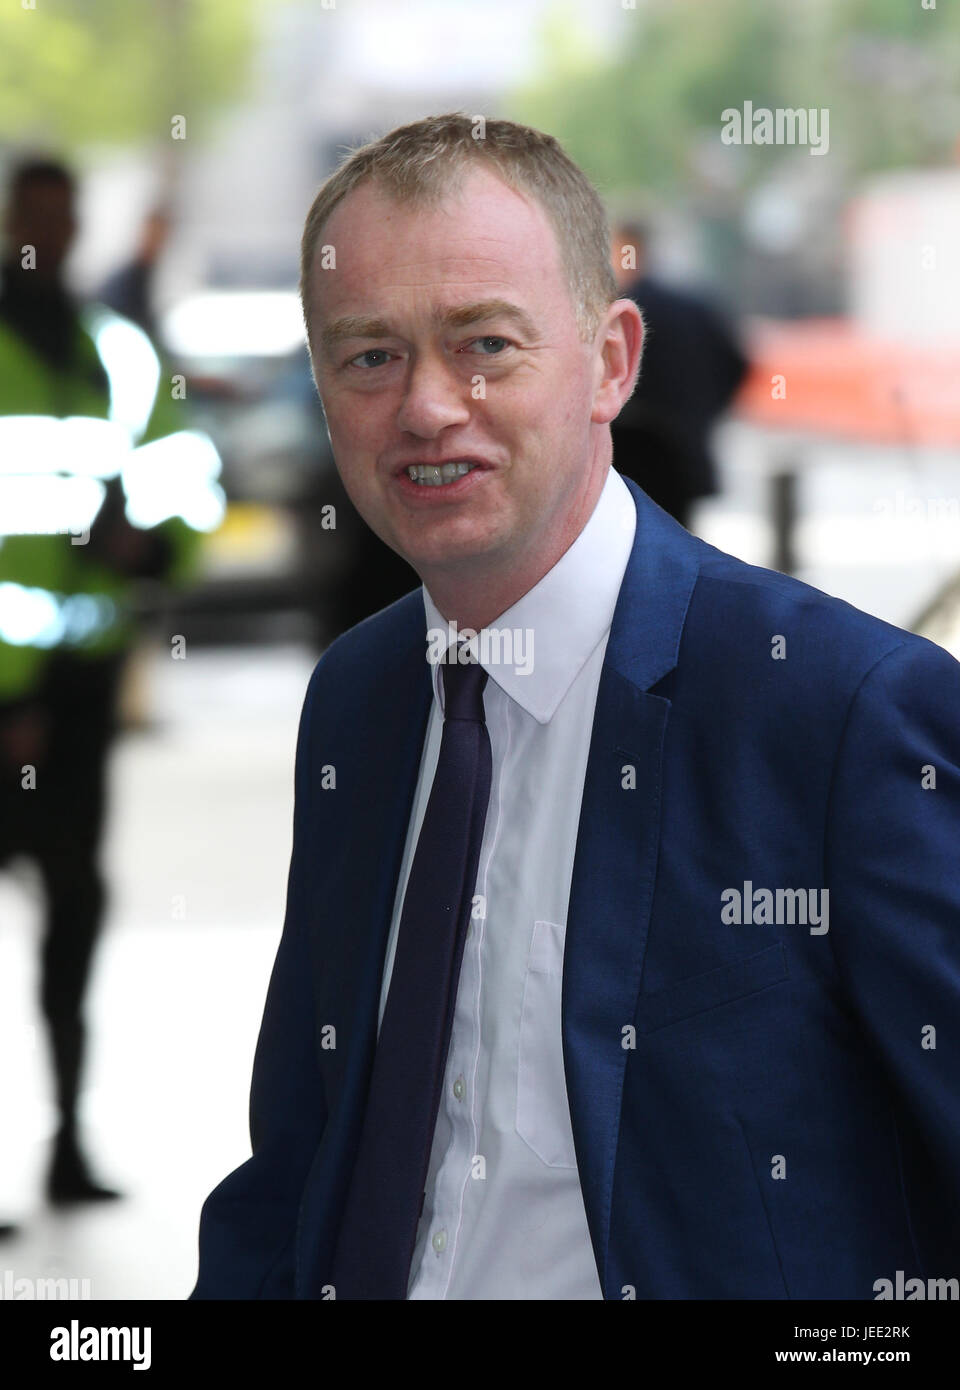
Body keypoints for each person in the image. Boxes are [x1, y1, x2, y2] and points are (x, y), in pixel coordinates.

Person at [190, 113, 960, 1300]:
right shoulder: (355, 700)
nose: (429, 406)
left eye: (484, 344)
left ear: (611, 362)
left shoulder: (841, 715)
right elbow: (299, 1161)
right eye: (369, 356)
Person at [0, 157, 216, 1213]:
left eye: (63, 212)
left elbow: (188, 481)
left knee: (76, 910)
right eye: (32, 213)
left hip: (77, 688)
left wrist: (149, 537)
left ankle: (67, 1145)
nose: (48, 229)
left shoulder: (112, 353)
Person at [609, 217, 749, 530]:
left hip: (624, 460)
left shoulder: (612, 311)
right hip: (684, 456)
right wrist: (704, 414)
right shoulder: (695, 307)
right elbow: (737, 364)